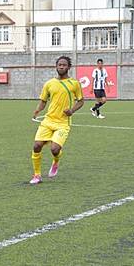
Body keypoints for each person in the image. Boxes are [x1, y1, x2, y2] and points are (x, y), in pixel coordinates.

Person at [30, 56, 84, 185]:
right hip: (48, 121)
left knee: (54, 149)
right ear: (56, 66)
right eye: (59, 64)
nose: (61, 67)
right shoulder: (49, 83)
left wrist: (72, 111)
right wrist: (38, 110)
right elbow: (43, 101)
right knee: (36, 146)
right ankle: (37, 175)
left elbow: (81, 101)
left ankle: (56, 161)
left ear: (69, 67)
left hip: (63, 123)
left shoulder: (74, 83)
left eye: (64, 65)